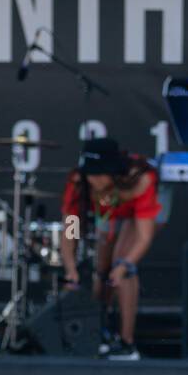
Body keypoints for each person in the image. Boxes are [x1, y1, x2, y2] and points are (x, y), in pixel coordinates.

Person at [59, 137, 160, 360]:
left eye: (98, 173)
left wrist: (124, 266)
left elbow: (143, 237)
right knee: (101, 270)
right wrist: (70, 269)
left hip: (142, 212)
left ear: (113, 172)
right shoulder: (80, 183)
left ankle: (127, 343)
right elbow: (70, 231)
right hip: (112, 211)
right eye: (90, 173)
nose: (92, 179)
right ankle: (99, 331)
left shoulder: (140, 180)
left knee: (121, 265)